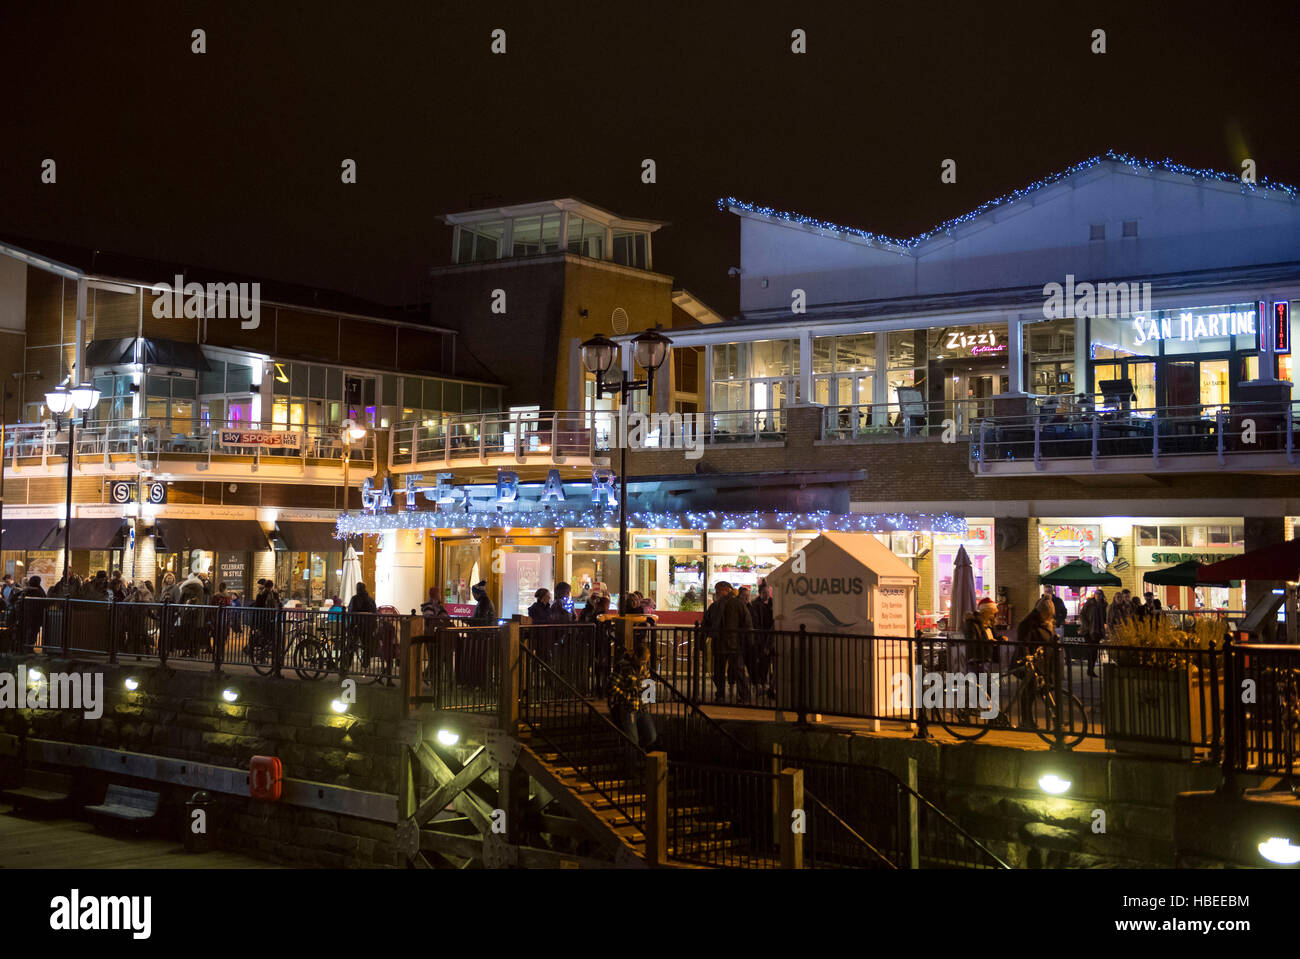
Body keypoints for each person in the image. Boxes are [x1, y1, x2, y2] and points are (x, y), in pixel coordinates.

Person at [703, 581, 752, 703]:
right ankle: (743, 695)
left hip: (724, 642)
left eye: (719, 590)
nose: (717, 593)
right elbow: (747, 622)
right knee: (736, 671)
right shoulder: (737, 603)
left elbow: (706, 623)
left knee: (722, 671)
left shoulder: (716, 605)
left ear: (726, 590)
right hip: (731, 643)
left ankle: (721, 695)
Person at [1013, 596, 1057, 726]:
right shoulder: (1029, 623)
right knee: (1029, 692)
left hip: (1043, 662)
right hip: (1033, 663)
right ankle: (1027, 720)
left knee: (1039, 690)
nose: (1049, 616)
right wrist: (1027, 656)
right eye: (1047, 614)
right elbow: (1024, 642)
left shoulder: (1046, 622)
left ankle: (1052, 719)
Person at [607, 642, 657, 755]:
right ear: (636, 657)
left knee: (651, 736)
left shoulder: (643, 668)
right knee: (632, 741)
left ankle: (635, 753)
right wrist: (627, 697)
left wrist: (649, 688)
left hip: (641, 708)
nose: (644, 663)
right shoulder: (623, 666)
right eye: (643, 660)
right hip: (628, 708)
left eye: (646, 661)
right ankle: (631, 763)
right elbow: (612, 686)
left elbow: (647, 681)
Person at [748, 581, 776, 699]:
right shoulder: (756, 605)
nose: (767, 594)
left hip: (771, 638)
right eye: (764, 592)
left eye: (767, 592)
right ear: (760, 593)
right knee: (762, 663)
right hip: (761, 638)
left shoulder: (772, 604)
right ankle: (762, 684)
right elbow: (756, 623)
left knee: (770, 663)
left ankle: (768, 686)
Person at [963, 596, 1000, 669]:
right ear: (985, 612)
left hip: (987, 658)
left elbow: (992, 637)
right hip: (977, 660)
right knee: (980, 679)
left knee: (985, 679)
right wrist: (989, 642)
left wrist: (1000, 639)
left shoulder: (989, 624)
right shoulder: (972, 624)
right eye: (991, 613)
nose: (992, 616)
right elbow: (971, 641)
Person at [1081, 589, 1107, 677]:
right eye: (1097, 594)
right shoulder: (1089, 603)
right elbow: (1082, 615)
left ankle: (1091, 669)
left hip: (1097, 631)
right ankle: (1090, 669)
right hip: (1089, 631)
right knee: (1090, 651)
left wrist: (1103, 628)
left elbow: (1103, 618)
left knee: (1094, 651)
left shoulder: (1103, 605)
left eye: (1100, 594)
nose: (1098, 596)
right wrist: (1087, 626)